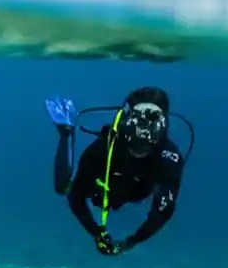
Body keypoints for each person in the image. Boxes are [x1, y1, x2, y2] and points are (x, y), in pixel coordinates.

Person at [46, 87, 186, 256]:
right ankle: (66, 133)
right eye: (140, 117)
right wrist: (96, 232)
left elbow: (164, 209)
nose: (146, 127)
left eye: (154, 117)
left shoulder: (169, 158)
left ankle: (66, 133)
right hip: (103, 190)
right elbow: (75, 195)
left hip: (136, 194)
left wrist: (132, 241)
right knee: (63, 186)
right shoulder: (101, 150)